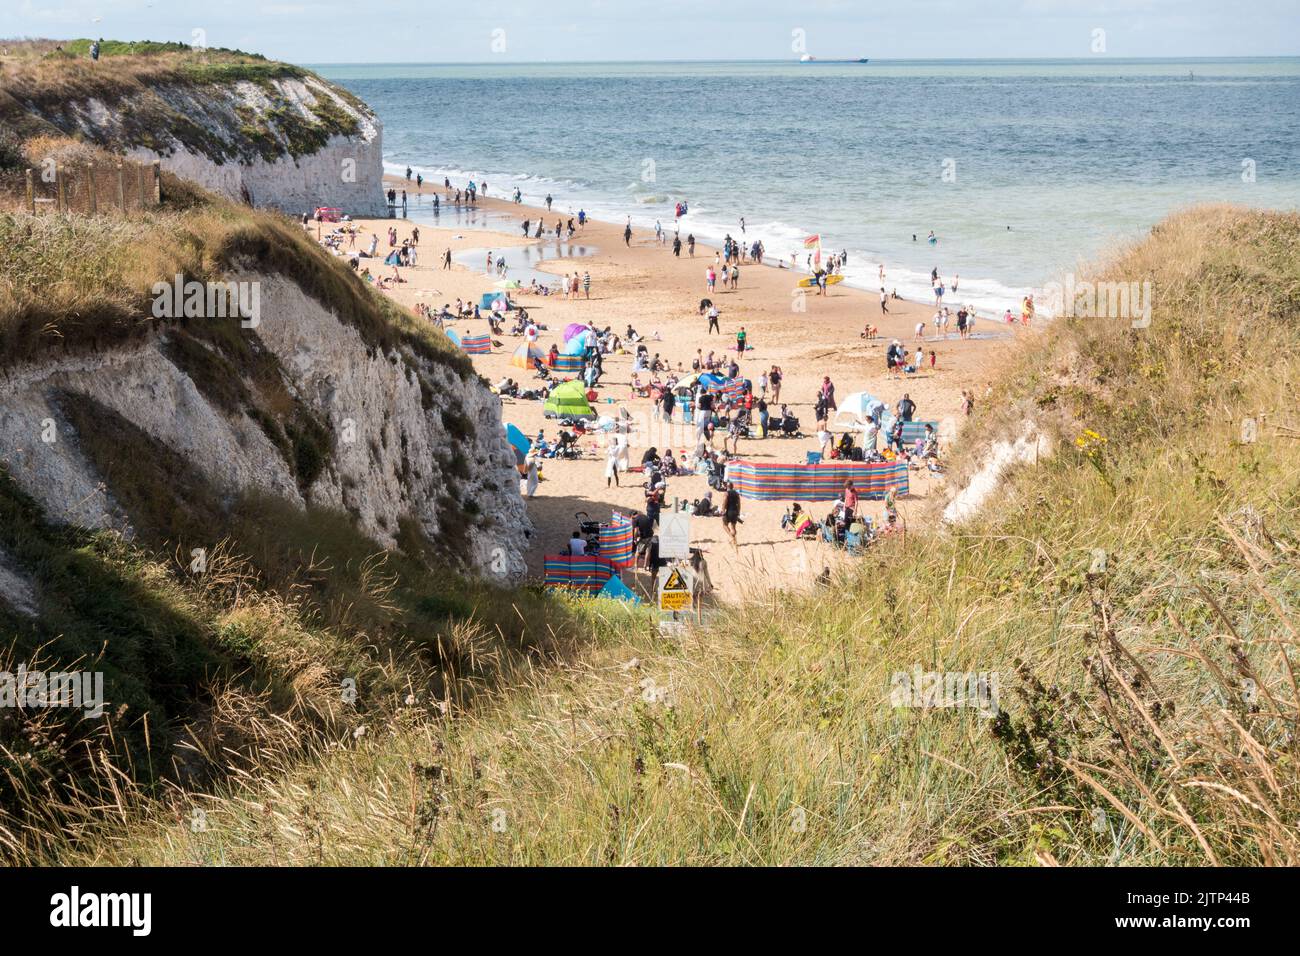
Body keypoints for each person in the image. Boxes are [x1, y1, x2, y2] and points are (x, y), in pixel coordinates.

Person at [721, 481, 742, 551]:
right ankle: (734, 540)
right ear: (732, 486)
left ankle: (732, 537)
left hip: (729, 511)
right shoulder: (736, 493)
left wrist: (723, 511)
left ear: (727, 487)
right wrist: (738, 512)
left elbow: (724, 502)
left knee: (724, 525)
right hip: (735, 511)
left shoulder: (726, 493)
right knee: (733, 527)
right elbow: (739, 504)